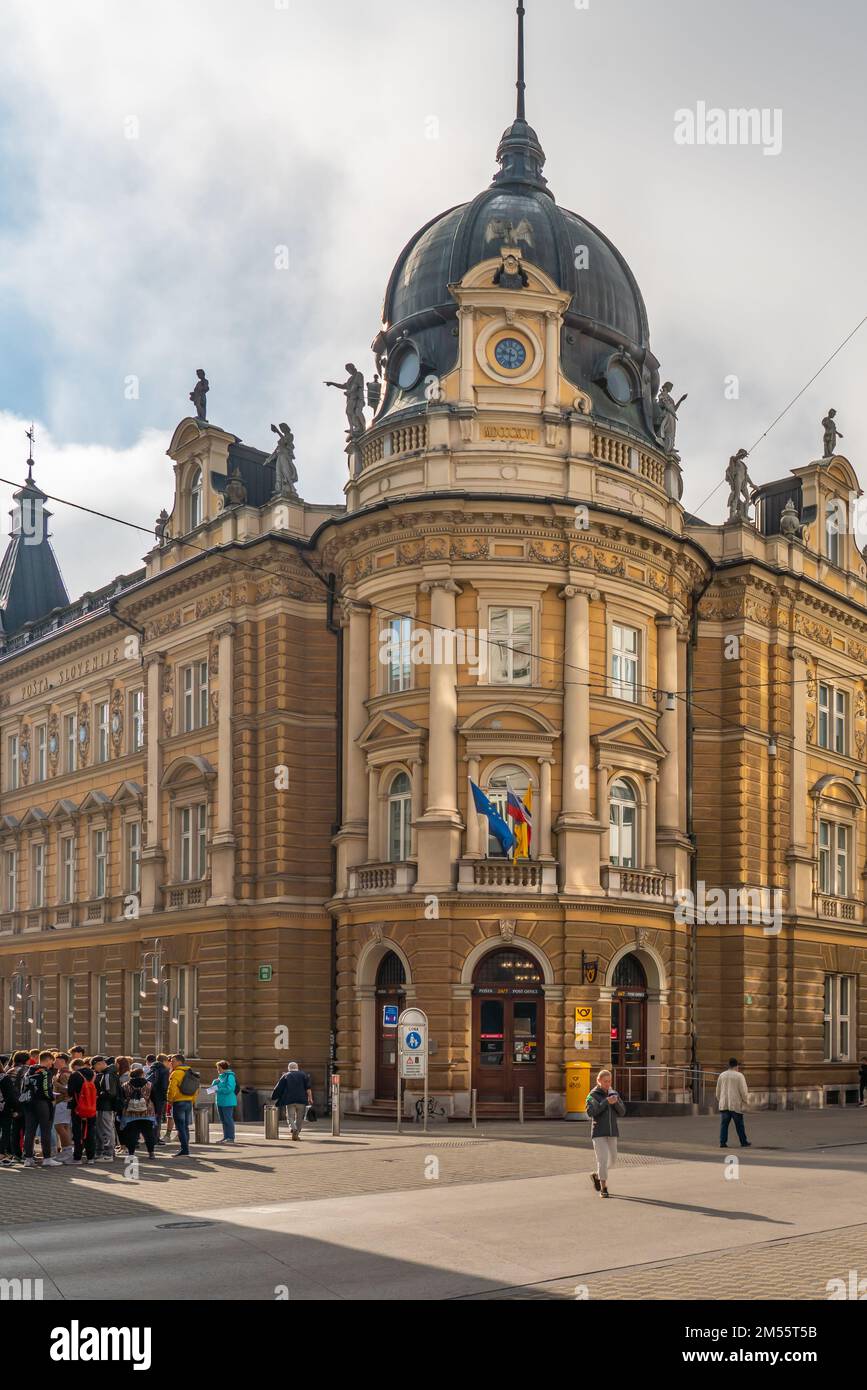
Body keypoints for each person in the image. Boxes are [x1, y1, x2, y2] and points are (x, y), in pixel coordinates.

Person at [585, 1069, 626, 1198]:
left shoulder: (614, 1093)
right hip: (598, 1132)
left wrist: (616, 1102)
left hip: (612, 1131)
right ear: (598, 1081)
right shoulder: (592, 1095)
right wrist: (606, 1102)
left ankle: (597, 1175)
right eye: (605, 1081)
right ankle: (604, 1188)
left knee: (613, 1160)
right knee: (602, 1160)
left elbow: (622, 1112)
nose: (608, 1084)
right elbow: (591, 1113)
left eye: (609, 1081)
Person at [20, 1050, 62, 1167]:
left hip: (28, 1103)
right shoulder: (45, 1072)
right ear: (48, 1059)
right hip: (42, 1103)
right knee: (45, 1130)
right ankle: (47, 1158)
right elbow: (45, 1089)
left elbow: (24, 1087)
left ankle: (28, 1158)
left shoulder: (29, 1071)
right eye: (51, 1062)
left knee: (29, 1131)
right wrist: (51, 1097)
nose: (51, 1064)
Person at [118, 1065, 157, 1159]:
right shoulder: (149, 1084)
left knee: (132, 1134)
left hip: (130, 1113)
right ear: (142, 1075)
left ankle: (131, 1153)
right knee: (148, 1134)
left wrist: (120, 1112)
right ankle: (151, 1152)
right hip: (147, 1112)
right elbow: (154, 1098)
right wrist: (156, 1111)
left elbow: (121, 1099)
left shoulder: (125, 1085)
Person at [166, 1053, 199, 1158]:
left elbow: (171, 1089)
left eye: (173, 1061)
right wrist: (193, 1100)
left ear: (180, 1062)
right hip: (189, 1102)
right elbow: (196, 1088)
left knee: (180, 1127)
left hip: (178, 1102)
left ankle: (184, 1149)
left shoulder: (176, 1073)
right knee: (185, 1126)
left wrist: (169, 1100)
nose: (171, 1062)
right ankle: (186, 1148)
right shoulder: (190, 1072)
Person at [271, 1062, 313, 1141]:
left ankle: (294, 1129)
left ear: (289, 1068)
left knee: (290, 1116)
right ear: (297, 1067)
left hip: (290, 1100)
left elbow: (279, 1088)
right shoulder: (303, 1075)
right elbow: (308, 1088)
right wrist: (310, 1098)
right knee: (299, 1118)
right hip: (302, 1100)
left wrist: (274, 1097)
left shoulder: (286, 1075)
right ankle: (297, 1132)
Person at [67, 1058, 98, 1164]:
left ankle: (77, 1158)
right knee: (90, 1132)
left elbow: (70, 1092)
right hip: (92, 1108)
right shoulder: (94, 1075)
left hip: (78, 1108)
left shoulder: (75, 1075)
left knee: (77, 1133)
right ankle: (91, 1157)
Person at [716, 1058, 752, 1148]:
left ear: (729, 1065)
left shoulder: (722, 1075)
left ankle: (722, 1142)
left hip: (724, 1104)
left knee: (724, 1125)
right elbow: (743, 1091)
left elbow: (718, 1090)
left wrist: (720, 1099)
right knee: (739, 1125)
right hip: (735, 1104)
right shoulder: (739, 1076)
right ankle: (743, 1141)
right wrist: (746, 1100)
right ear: (737, 1066)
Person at [92, 1056, 118, 1162]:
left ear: (99, 1064)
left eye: (95, 1067)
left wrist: (98, 1095)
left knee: (107, 1129)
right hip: (105, 1105)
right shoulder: (107, 1073)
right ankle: (105, 1152)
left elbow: (110, 1092)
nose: (95, 1070)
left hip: (106, 1106)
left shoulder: (107, 1074)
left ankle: (108, 1154)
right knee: (104, 1129)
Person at [52, 1054, 74, 1163]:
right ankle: (67, 1152)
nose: (54, 1062)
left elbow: (68, 1090)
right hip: (63, 1102)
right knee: (65, 1126)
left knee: (60, 1126)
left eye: (56, 1060)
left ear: (62, 1061)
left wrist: (55, 1083)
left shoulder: (64, 1073)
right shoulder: (62, 1072)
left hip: (62, 1102)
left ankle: (67, 1152)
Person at [211, 1060, 239, 1144]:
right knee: (223, 1120)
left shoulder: (230, 1076)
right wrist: (214, 1083)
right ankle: (225, 1137)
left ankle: (230, 1137)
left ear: (223, 1068)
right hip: (220, 1101)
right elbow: (212, 1089)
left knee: (228, 1120)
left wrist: (218, 1089)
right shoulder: (220, 1077)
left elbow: (230, 1088)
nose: (217, 1070)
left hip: (228, 1102)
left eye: (218, 1068)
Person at [145, 1054, 170, 1143]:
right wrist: (165, 1097)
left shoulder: (151, 1068)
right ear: (164, 1061)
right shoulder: (164, 1070)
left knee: (150, 1117)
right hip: (159, 1097)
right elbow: (164, 1086)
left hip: (150, 1097)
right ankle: (155, 1138)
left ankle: (149, 1137)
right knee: (157, 1118)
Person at [0, 1057, 17, 1167]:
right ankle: (1, 1155)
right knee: (5, 1131)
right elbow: (10, 1096)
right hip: (3, 1108)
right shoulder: (4, 1078)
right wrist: (15, 1109)